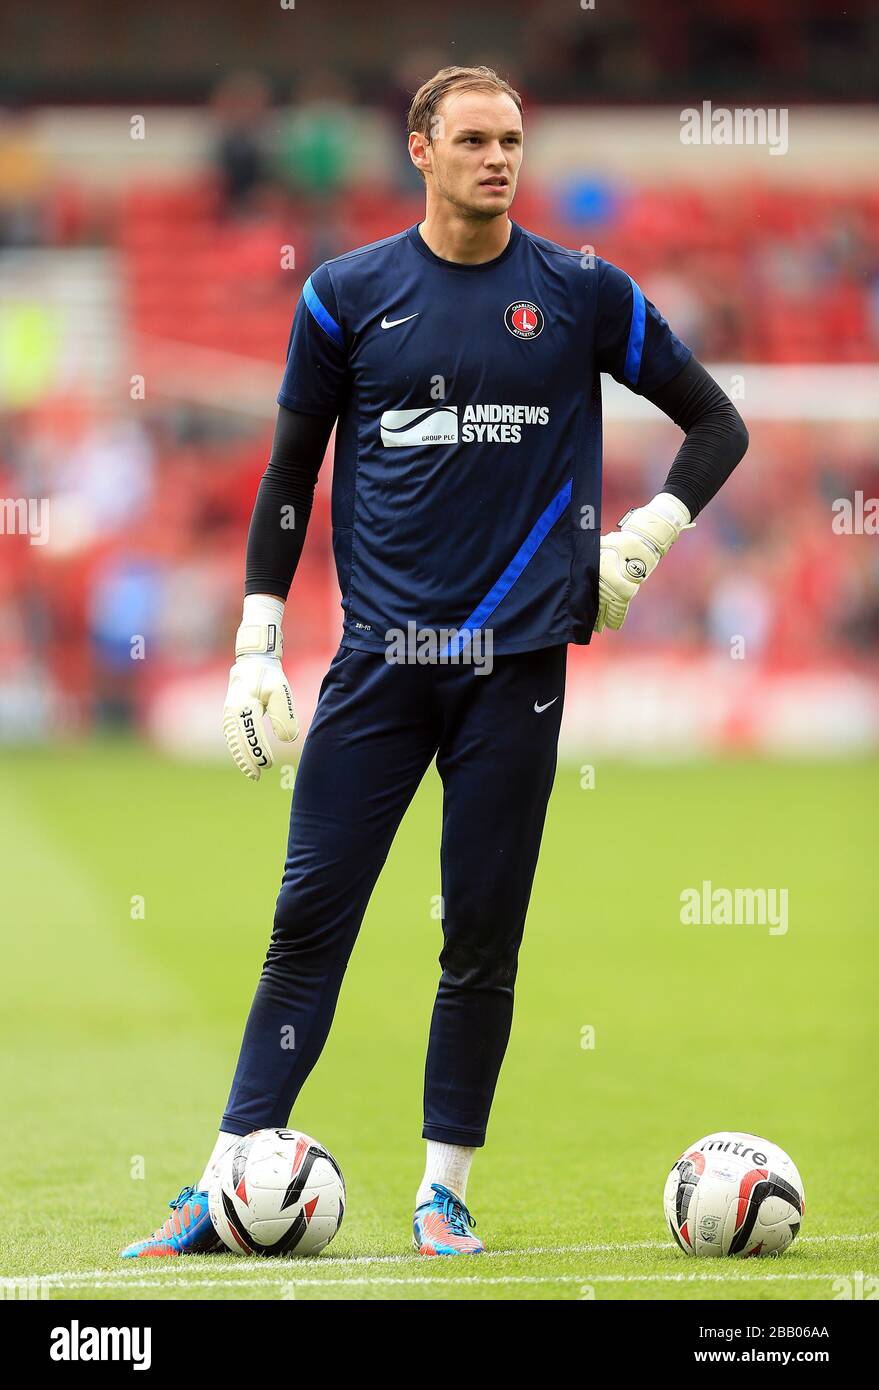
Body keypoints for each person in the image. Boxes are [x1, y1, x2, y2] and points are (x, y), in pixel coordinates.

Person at [121, 65, 747, 1260]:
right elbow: (288, 477)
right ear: (420, 148)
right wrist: (257, 640)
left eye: (511, 139)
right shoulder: (347, 296)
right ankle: (220, 1181)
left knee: (482, 934)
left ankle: (442, 1191)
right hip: (378, 667)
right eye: (472, 138)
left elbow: (716, 422)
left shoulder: (581, 293)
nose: (498, 157)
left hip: (516, 669)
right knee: (307, 918)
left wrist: (641, 543)